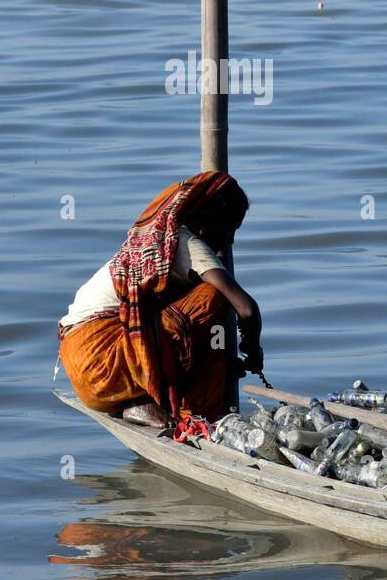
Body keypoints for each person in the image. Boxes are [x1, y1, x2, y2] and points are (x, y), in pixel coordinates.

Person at [57, 170, 263, 427]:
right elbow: (246, 309)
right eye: (229, 227)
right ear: (207, 218)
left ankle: (147, 400)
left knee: (199, 326)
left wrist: (218, 363)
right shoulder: (188, 244)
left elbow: (181, 334)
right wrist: (253, 351)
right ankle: (169, 408)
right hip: (103, 359)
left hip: (84, 367)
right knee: (215, 297)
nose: (230, 240)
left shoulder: (161, 240)